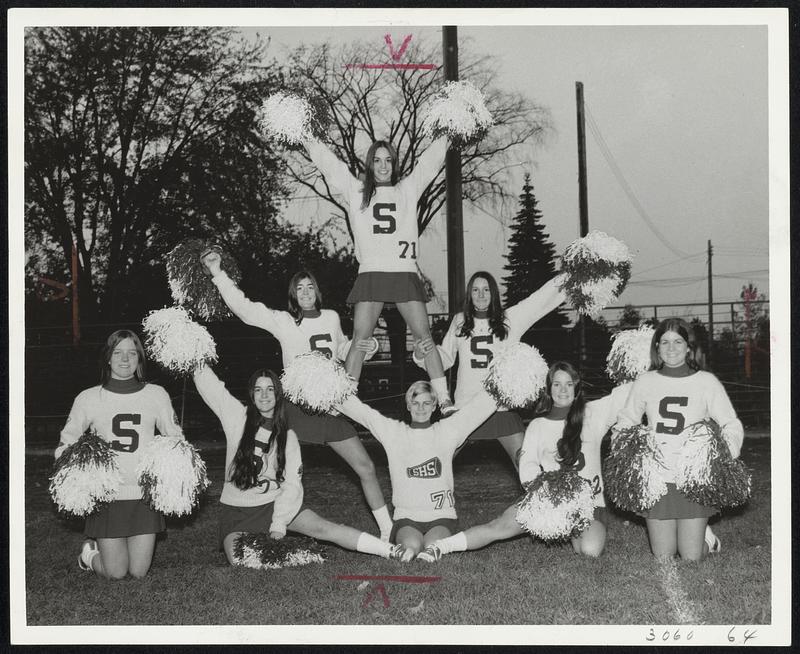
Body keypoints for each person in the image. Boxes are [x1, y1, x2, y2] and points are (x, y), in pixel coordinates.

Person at [201, 252, 393, 541]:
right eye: (299, 288)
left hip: (331, 408)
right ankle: (255, 520)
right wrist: (218, 273)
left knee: (365, 466)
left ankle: (388, 530)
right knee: (271, 468)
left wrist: (369, 345)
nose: (305, 292)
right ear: (293, 295)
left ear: (317, 291)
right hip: (296, 410)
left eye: (310, 287)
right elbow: (244, 308)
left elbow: (342, 350)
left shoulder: (331, 317)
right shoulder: (284, 321)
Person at [192, 363, 408, 564]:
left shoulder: (289, 437)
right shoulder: (236, 418)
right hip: (237, 511)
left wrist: (278, 525)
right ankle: (298, 554)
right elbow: (212, 388)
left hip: (275, 503)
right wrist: (192, 357)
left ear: (279, 394)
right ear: (252, 394)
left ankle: (389, 550)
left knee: (324, 528)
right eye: (259, 390)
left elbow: (292, 485)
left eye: (270, 390)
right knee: (241, 560)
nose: (265, 395)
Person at [301, 136, 456, 414]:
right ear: (370, 164)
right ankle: (342, 401)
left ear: (394, 165)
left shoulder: (407, 189)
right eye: (377, 160)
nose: (383, 166)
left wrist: (447, 134)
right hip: (371, 272)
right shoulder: (356, 190)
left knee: (424, 337)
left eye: (388, 160)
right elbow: (331, 166)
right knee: (360, 338)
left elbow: (429, 163)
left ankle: (444, 399)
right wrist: (308, 139)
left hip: (403, 271)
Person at [418, 361, 628, 562]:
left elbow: (628, 393)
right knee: (499, 526)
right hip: (549, 500)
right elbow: (527, 468)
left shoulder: (595, 413)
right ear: (548, 388)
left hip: (590, 503)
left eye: (569, 384)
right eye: (557, 384)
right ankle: (441, 546)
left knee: (590, 550)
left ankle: (574, 531)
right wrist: (547, 492)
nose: (563, 390)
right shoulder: (538, 425)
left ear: (577, 387)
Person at [55, 330, 184, 579]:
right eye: (118, 352)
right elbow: (66, 443)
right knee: (115, 573)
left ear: (140, 359)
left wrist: (172, 470)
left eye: (132, 353)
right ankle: (89, 555)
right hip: (107, 496)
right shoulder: (89, 398)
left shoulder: (156, 395)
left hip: (144, 495)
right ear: (108, 358)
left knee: (138, 572)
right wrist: (78, 469)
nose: (125, 359)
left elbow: (176, 439)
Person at [614, 317, 744, 561]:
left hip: (692, 477)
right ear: (656, 347)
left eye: (678, 341)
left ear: (688, 347)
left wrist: (719, 455)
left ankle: (708, 539)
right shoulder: (646, 381)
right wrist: (625, 451)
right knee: (663, 555)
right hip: (658, 477)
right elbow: (627, 420)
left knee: (691, 557)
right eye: (665, 342)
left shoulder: (706, 381)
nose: (671, 348)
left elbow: (730, 423)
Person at [414, 271, 565, 466]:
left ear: (493, 293)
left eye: (486, 290)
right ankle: (422, 495)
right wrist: (421, 354)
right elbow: (444, 359)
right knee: (439, 463)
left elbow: (540, 300)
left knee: (527, 463)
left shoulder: (510, 319)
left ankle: (542, 496)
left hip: (500, 406)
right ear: (470, 295)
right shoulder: (459, 321)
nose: (481, 295)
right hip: (466, 406)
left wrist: (570, 276)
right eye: (475, 290)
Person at [337, 380, 499, 561]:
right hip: (407, 516)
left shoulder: (448, 430)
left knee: (432, 545)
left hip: (441, 515)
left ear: (435, 406)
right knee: (410, 547)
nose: (421, 408)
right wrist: (330, 392)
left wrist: (506, 383)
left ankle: (435, 548)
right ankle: (412, 546)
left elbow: (477, 410)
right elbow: (363, 414)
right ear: (408, 405)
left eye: (426, 403)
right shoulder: (394, 432)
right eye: (415, 403)